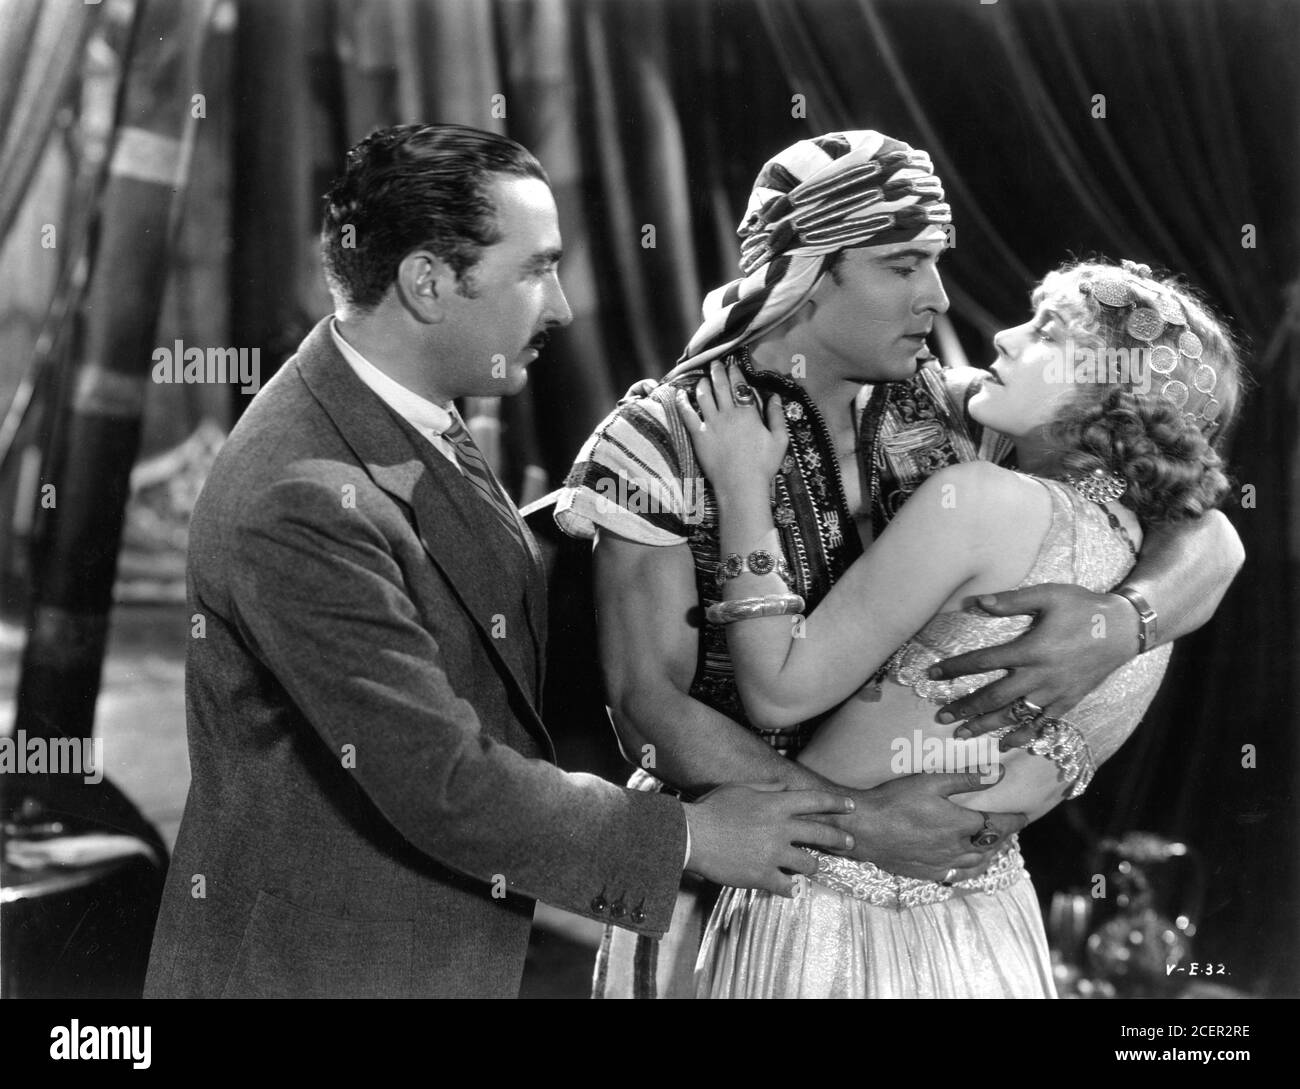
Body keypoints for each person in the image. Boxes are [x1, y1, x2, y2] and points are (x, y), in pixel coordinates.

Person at [143, 123, 856, 999]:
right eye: (535, 269)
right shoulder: (300, 496)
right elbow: (442, 780)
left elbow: (454, 588)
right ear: (429, 282)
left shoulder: (399, 404)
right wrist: (691, 838)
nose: (558, 306)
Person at [556, 131, 1245, 997]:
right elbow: (646, 704)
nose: (939, 296)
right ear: (806, 269)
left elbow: (1208, 530)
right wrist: (859, 824)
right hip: (726, 877)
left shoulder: (958, 409)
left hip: (933, 888)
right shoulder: (659, 437)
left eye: (936, 262)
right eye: (902, 265)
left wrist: (1122, 620)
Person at [681, 257, 1242, 997]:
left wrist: (743, 487)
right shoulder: (1155, 577)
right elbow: (1222, 536)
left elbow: (779, 692)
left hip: (830, 928)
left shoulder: (981, 501)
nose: (1003, 338)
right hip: (993, 933)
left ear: (1113, 392)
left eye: (1048, 330)